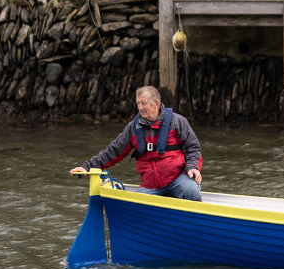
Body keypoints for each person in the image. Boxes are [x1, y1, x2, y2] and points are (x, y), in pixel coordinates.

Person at [70, 86, 204, 201]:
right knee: (137, 205)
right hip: (150, 185)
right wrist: (87, 167)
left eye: (143, 103)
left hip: (176, 179)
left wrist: (192, 167)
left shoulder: (178, 122)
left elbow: (192, 148)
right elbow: (114, 151)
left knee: (192, 191)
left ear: (156, 103)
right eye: (138, 103)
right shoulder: (133, 127)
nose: (140, 108)